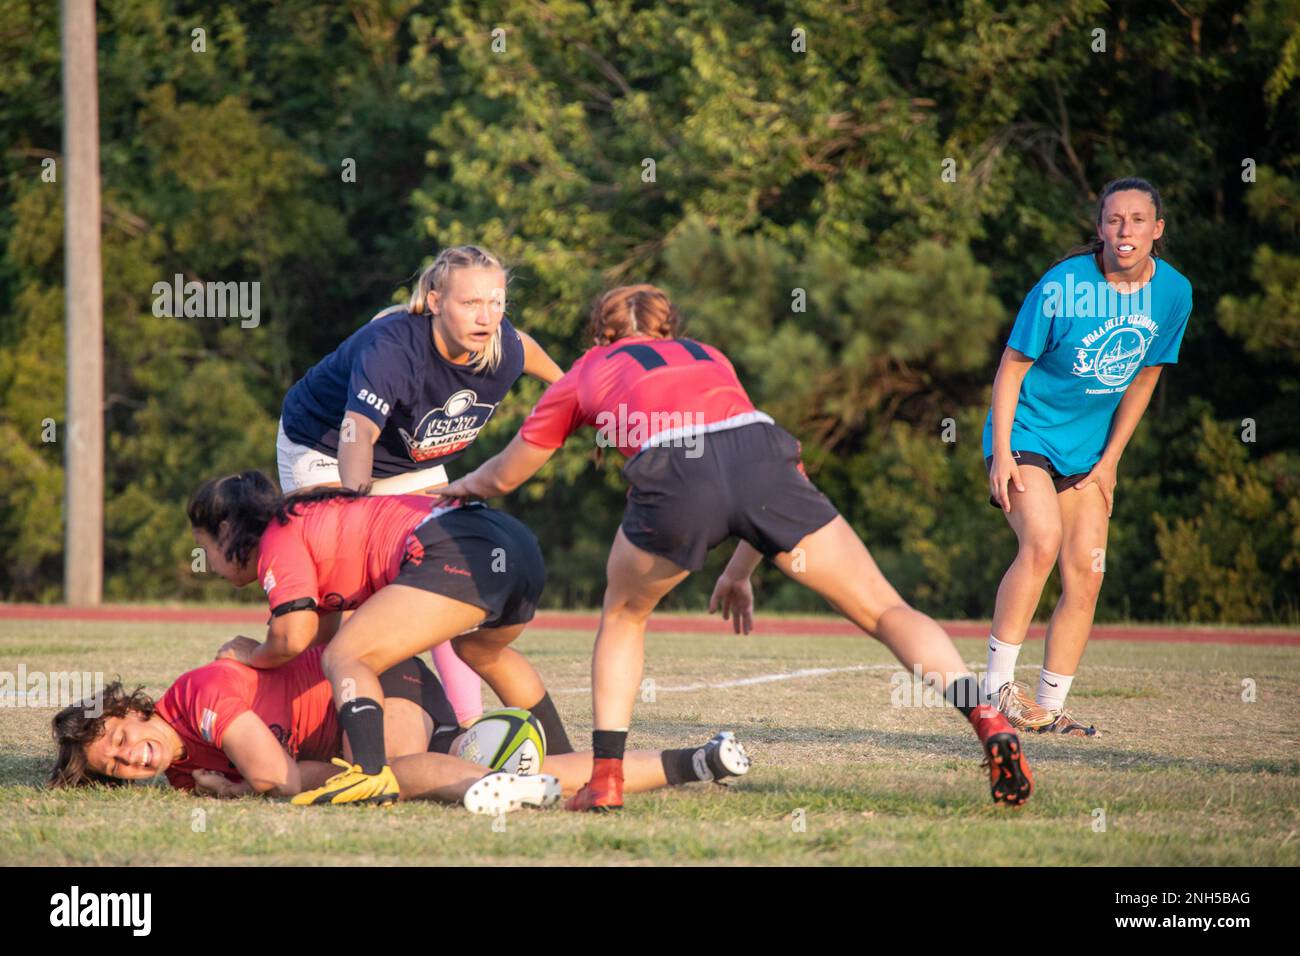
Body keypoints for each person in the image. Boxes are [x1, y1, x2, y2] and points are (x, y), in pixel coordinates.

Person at [441, 284, 1035, 812]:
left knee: (625, 615)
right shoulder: (709, 356)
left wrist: (457, 487)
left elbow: (505, 477)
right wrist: (741, 568)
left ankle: (607, 778)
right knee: (885, 609)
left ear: (601, 333)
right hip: (761, 453)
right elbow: (763, 472)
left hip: (675, 469)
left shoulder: (589, 368)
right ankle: (986, 719)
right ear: (670, 330)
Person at [276, 245, 563, 724]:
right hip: (325, 448)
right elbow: (357, 434)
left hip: (413, 463)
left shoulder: (503, 346)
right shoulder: (392, 348)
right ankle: (326, 725)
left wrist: (588, 403)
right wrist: (355, 509)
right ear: (434, 301)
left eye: (496, 303)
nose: (487, 316)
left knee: (451, 583)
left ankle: (466, 726)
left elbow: (549, 368)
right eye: (470, 303)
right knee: (336, 597)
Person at [187, 469, 575, 805]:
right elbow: (313, 642)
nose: (208, 564)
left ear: (225, 530)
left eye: (203, 547)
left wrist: (251, 654)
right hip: (513, 542)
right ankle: (567, 763)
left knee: (347, 656)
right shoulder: (306, 524)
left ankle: (369, 773)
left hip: (458, 547)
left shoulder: (278, 535)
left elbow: (292, 637)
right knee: (483, 653)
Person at [981, 178, 1192, 736]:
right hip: (1026, 433)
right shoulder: (1061, 286)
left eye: (1138, 220)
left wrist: (1110, 462)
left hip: (1088, 453)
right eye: (1115, 220)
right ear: (1100, 228)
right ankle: (996, 689)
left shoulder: (1174, 293)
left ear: (1157, 229)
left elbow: (1145, 379)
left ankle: (1048, 709)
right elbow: (1011, 368)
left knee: (1088, 572)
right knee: (1042, 541)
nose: (1126, 231)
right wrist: (1001, 452)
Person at [47, 647, 752, 812]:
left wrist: (247, 792)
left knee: (382, 781)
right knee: (380, 778)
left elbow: (274, 777)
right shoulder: (176, 769)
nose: (126, 758)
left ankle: (505, 785)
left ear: (132, 709)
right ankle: (700, 760)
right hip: (371, 716)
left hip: (383, 691)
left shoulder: (195, 694)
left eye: (116, 740)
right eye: (112, 767)